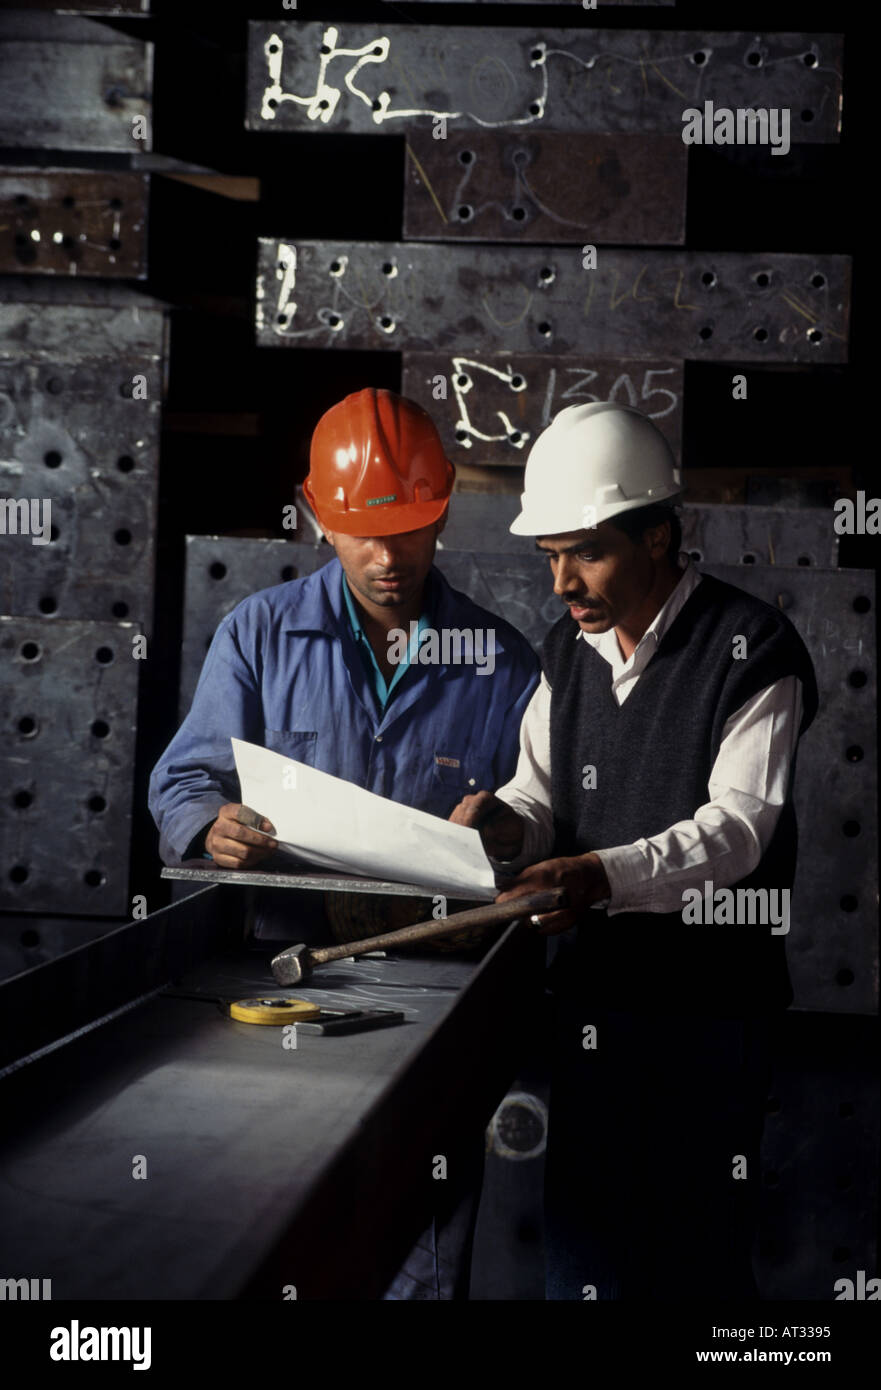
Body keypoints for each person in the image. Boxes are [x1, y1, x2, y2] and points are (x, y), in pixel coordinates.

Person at [148, 387, 540, 1300]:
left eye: (407, 529)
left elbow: (536, 827)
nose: (386, 555)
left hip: (435, 1001)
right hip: (275, 981)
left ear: (440, 513)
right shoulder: (259, 634)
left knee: (424, 1256)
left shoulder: (502, 661)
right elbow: (181, 780)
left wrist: (507, 830)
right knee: (267, 1229)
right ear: (316, 514)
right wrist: (211, 827)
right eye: (363, 532)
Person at [451, 401, 818, 1301]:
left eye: (588, 553)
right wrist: (505, 825)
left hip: (709, 1015)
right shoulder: (566, 652)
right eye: (551, 558)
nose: (563, 583)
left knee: (695, 1261)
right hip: (593, 1005)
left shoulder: (750, 648)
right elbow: (540, 796)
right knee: (587, 1256)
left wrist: (600, 875)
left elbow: (736, 832)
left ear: (659, 537)